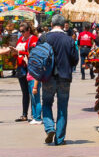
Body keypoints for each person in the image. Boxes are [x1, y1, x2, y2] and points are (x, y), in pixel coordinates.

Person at [38, 14, 80, 146]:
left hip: (48, 77)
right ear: (64, 26)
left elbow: (37, 56)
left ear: (51, 24)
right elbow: (75, 59)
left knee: (46, 104)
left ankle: (50, 128)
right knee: (62, 108)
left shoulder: (44, 38)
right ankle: (60, 139)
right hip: (64, 78)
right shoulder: (69, 40)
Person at [14, 22, 39, 123]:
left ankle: (35, 114)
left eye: (23, 31)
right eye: (20, 31)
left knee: (32, 91)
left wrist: (20, 52)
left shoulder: (33, 39)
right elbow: (18, 51)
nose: (21, 33)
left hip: (29, 68)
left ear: (29, 30)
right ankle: (24, 114)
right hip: (21, 68)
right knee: (24, 92)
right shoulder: (21, 39)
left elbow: (33, 52)